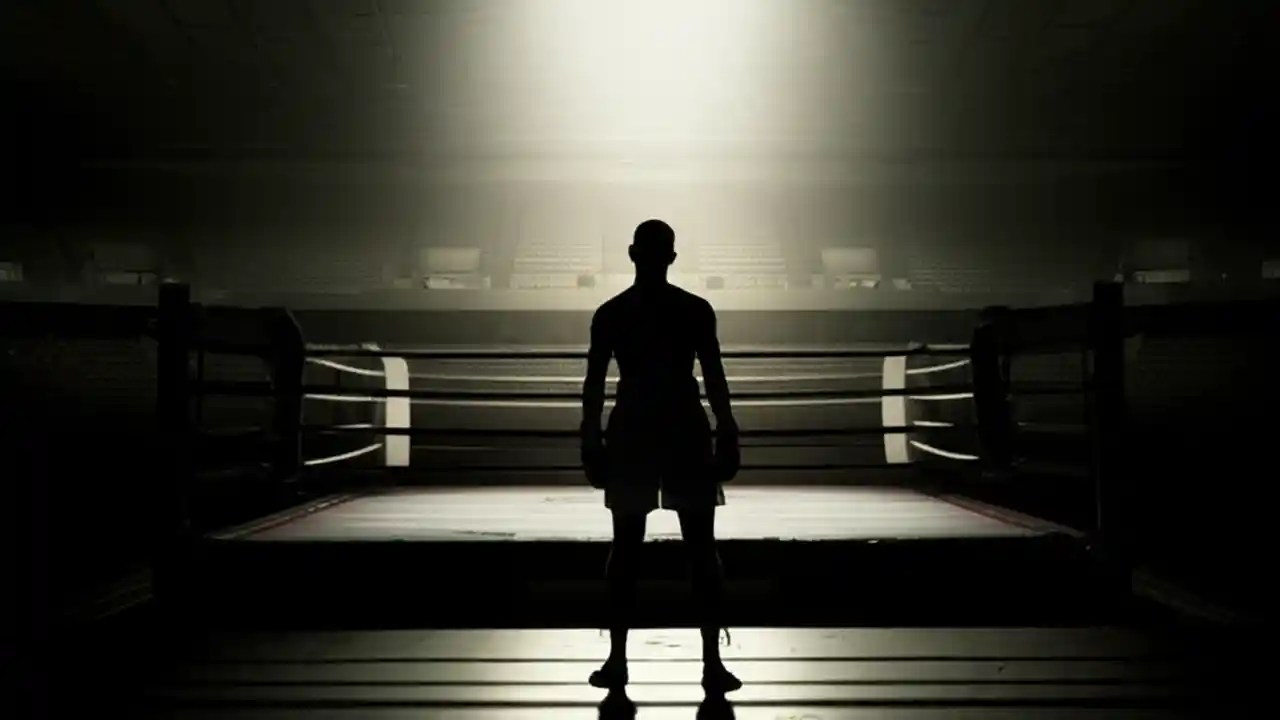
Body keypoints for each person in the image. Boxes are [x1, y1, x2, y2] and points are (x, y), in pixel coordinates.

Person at [580, 219, 742, 693]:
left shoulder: (611, 313)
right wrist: (727, 430)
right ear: (672, 257)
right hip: (683, 426)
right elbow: (713, 378)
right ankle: (711, 664)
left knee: (626, 546)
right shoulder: (694, 310)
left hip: (632, 427)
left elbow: (593, 385)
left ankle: (617, 661)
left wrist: (591, 438)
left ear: (633, 254)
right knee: (700, 547)